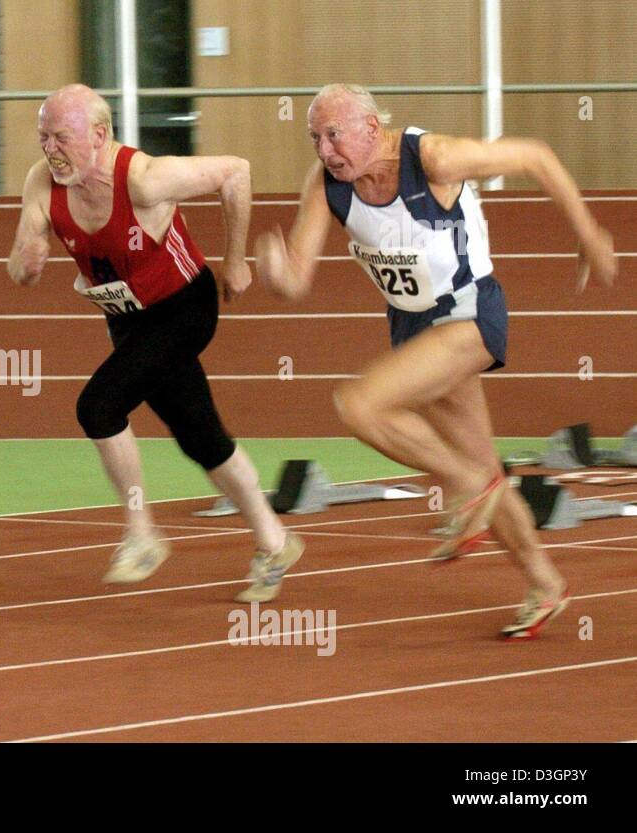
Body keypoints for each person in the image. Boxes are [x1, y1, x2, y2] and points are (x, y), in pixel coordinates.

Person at [254, 83, 619, 638]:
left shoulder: (435, 158)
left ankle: (463, 483)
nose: (325, 151)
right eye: (314, 139)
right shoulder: (328, 184)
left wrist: (589, 234)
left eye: (333, 135)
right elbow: (298, 278)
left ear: (372, 128)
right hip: (414, 327)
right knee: (488, 474)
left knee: (357, 404)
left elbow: (534, 156)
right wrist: (278, 275)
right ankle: (544, 582)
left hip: (470, 315)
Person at [7, 84, 304, 600]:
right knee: (200, 436)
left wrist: (235, 260)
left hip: (184, 308)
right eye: (43, 138)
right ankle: (274, 542)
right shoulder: (42, 182)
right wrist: (27, 263)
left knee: (97, 407)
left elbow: (236, 170)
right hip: (128, 320)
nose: (50, 150)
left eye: (61, 138)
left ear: (99, 135)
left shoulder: (143, 179)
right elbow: (18, 265)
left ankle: (142, 534)